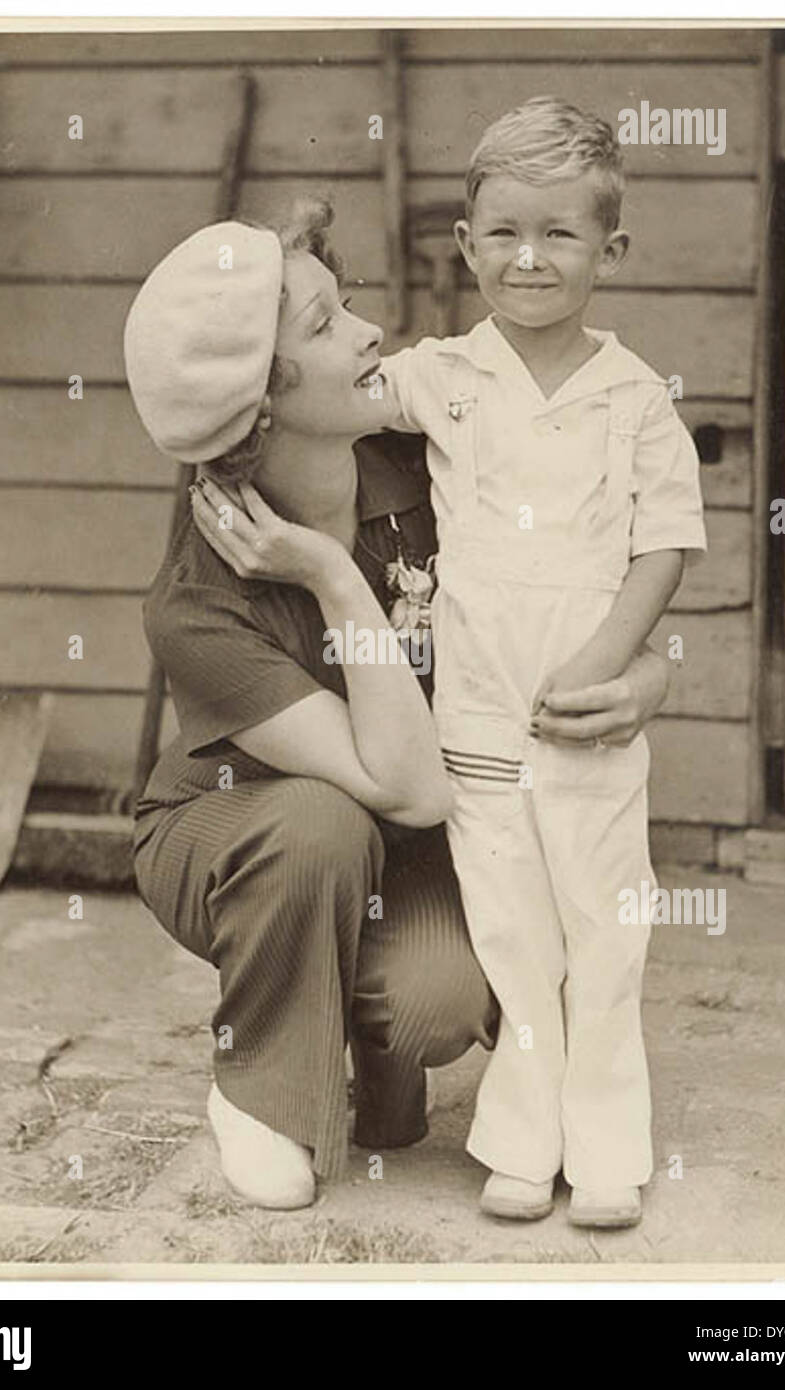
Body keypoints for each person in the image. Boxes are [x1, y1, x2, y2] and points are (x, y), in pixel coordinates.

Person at [123, 202, 674, 1212]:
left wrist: (641, 678)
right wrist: (335, 578)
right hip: (240, 833)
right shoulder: (195, 604)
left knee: (441, 997)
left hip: (401, 838)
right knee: (318, 822)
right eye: (325, 324)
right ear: (262, 402)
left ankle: (379, 1059)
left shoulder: (433, 466)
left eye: (346, 306)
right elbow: (409, 788)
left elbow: (563, 596)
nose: (371, 331)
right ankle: (261, 1090)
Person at [379, 96, 707, 1227]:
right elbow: (334, 386)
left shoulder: (636, 400)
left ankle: (608, 1148)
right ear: (465, 245)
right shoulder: (441, 374)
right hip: (479, 717)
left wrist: (611, 661)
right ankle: (522, 1141)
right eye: (504, 233)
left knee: (605, 931)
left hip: (590, 719)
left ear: (609, 251)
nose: (529, 258)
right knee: (513, 933)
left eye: (560, 233)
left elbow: (664, 545)